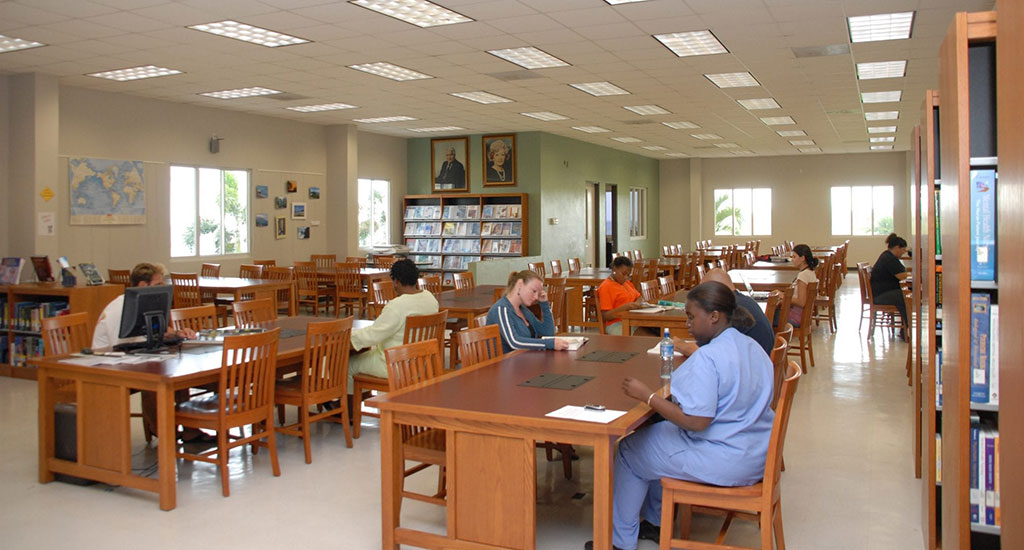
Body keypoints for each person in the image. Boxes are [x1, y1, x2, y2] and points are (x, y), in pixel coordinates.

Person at [584, 281, 774, 550]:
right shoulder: (752, 346)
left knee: (628, 450)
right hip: (755, 450)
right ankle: (655, 520)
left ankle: (618, 543)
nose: (687, 324)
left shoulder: (709, 357)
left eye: (691, 317)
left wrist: (647, 396)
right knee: (655, 436)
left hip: (726, 459)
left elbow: (697, 421)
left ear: (715, 317)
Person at [348, 259, 439, 387]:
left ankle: (350, 406)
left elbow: (373, 335)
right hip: (422, 363)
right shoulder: (430, 298)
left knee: (349, 365)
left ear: (396, 281)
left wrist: (348, 336)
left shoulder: (398, 305)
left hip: (395, 363)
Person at [673, 268, 774, 356]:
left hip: (748, 372)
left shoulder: (728, 309)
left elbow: (705, 354)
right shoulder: (744, 300)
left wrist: (679, 345)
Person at [92, 262, 194, 349]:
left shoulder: (145, 305)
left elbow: (158, 331)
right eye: (157, 285)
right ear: (143, 285)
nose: (161, 289)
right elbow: (119, 346)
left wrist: (178, 333)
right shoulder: (119, 309)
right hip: (108, 364)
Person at [487, 270, 569, 353]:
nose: (536, 297)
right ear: (520, 284)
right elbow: (514, 342)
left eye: (538, 293)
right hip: (506, 363)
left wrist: (545, 305)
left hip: (525, 360)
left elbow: (548, 334)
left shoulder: (523, 310)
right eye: (534, 291)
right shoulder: (501, 309)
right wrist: (550, 343)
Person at [870, 233, 910, 340]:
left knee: (904, 296)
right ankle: (907, 330)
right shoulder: (889, 259)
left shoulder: (888, 255)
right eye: (903, 249)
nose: (904, 252)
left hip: (882, 291)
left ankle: (906, 329)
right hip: (880, 295)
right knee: (906, 297)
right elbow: (902, 276)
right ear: (897, 248)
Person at [595, 256, 644, 335]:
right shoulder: (606, 287)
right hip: (616, 324)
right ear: (614, 269)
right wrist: (625, 307)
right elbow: (605, 316)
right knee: (648, 337)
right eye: (623, 274)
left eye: (628, 275)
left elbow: (639, 296)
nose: (626, 277)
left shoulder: (626, 283)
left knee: (655, 331)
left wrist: (637, 304)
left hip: (631, 320)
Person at [783, 244, 819, 328]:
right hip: (801, 316)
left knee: (766, 317)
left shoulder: (803, 276)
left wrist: (784, 296)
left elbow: (801, 302)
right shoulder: (810, 272)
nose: (792, 260)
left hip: (795, 317)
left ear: (802, 258)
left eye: (794, 257)